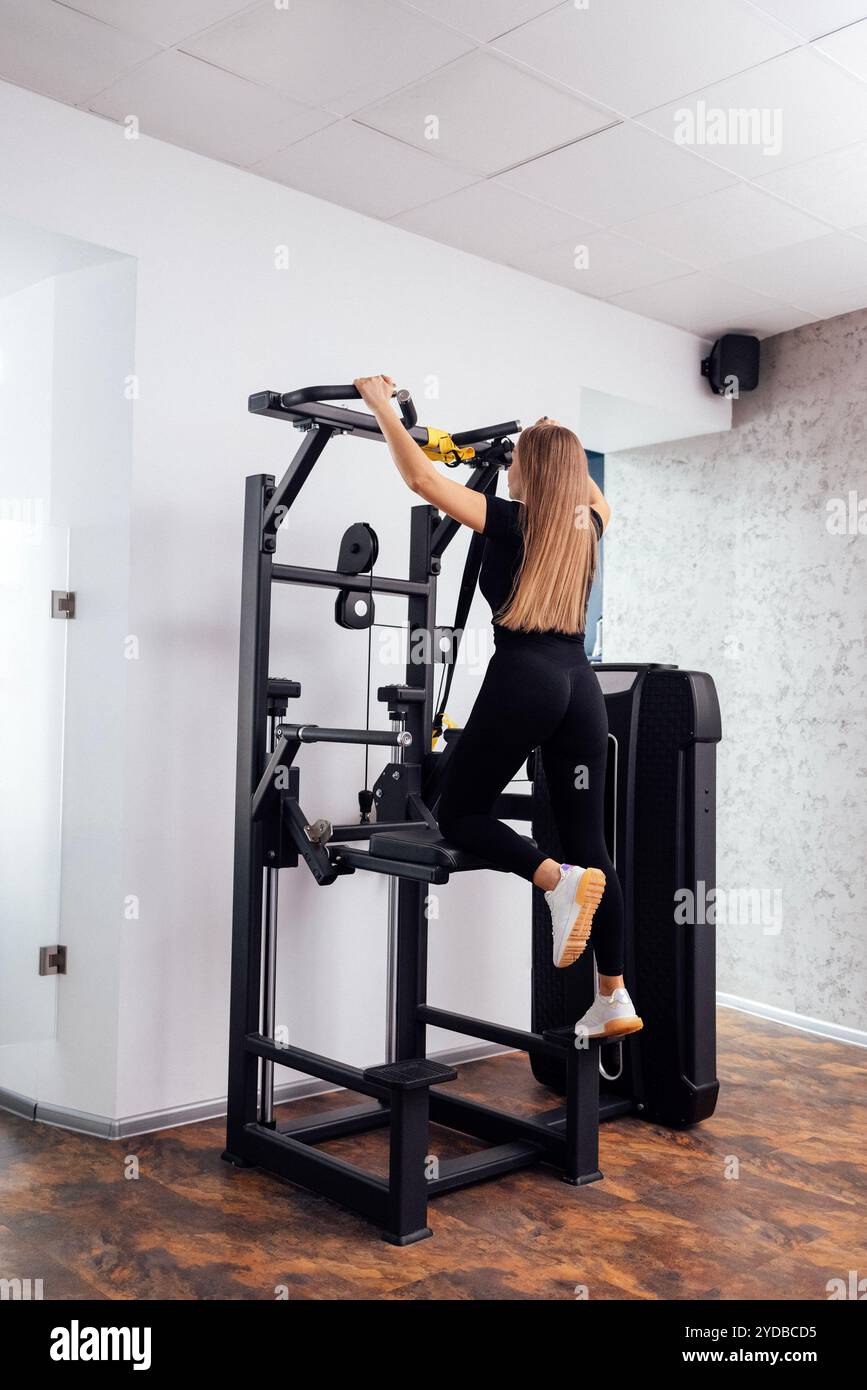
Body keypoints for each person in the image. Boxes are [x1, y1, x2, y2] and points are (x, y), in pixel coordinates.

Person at [353, 376, 642, 1040]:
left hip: (524, 679)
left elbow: (424, 483)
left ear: (530, 473)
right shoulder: (587, 526)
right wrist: (552, 443)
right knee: (594, 845)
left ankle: (550, 878)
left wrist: (381, 412)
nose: (506, 466)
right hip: (580, 690)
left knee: (457, 814)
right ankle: (614, 997)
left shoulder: (513, 520)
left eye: (515, 460)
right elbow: (595, 494)